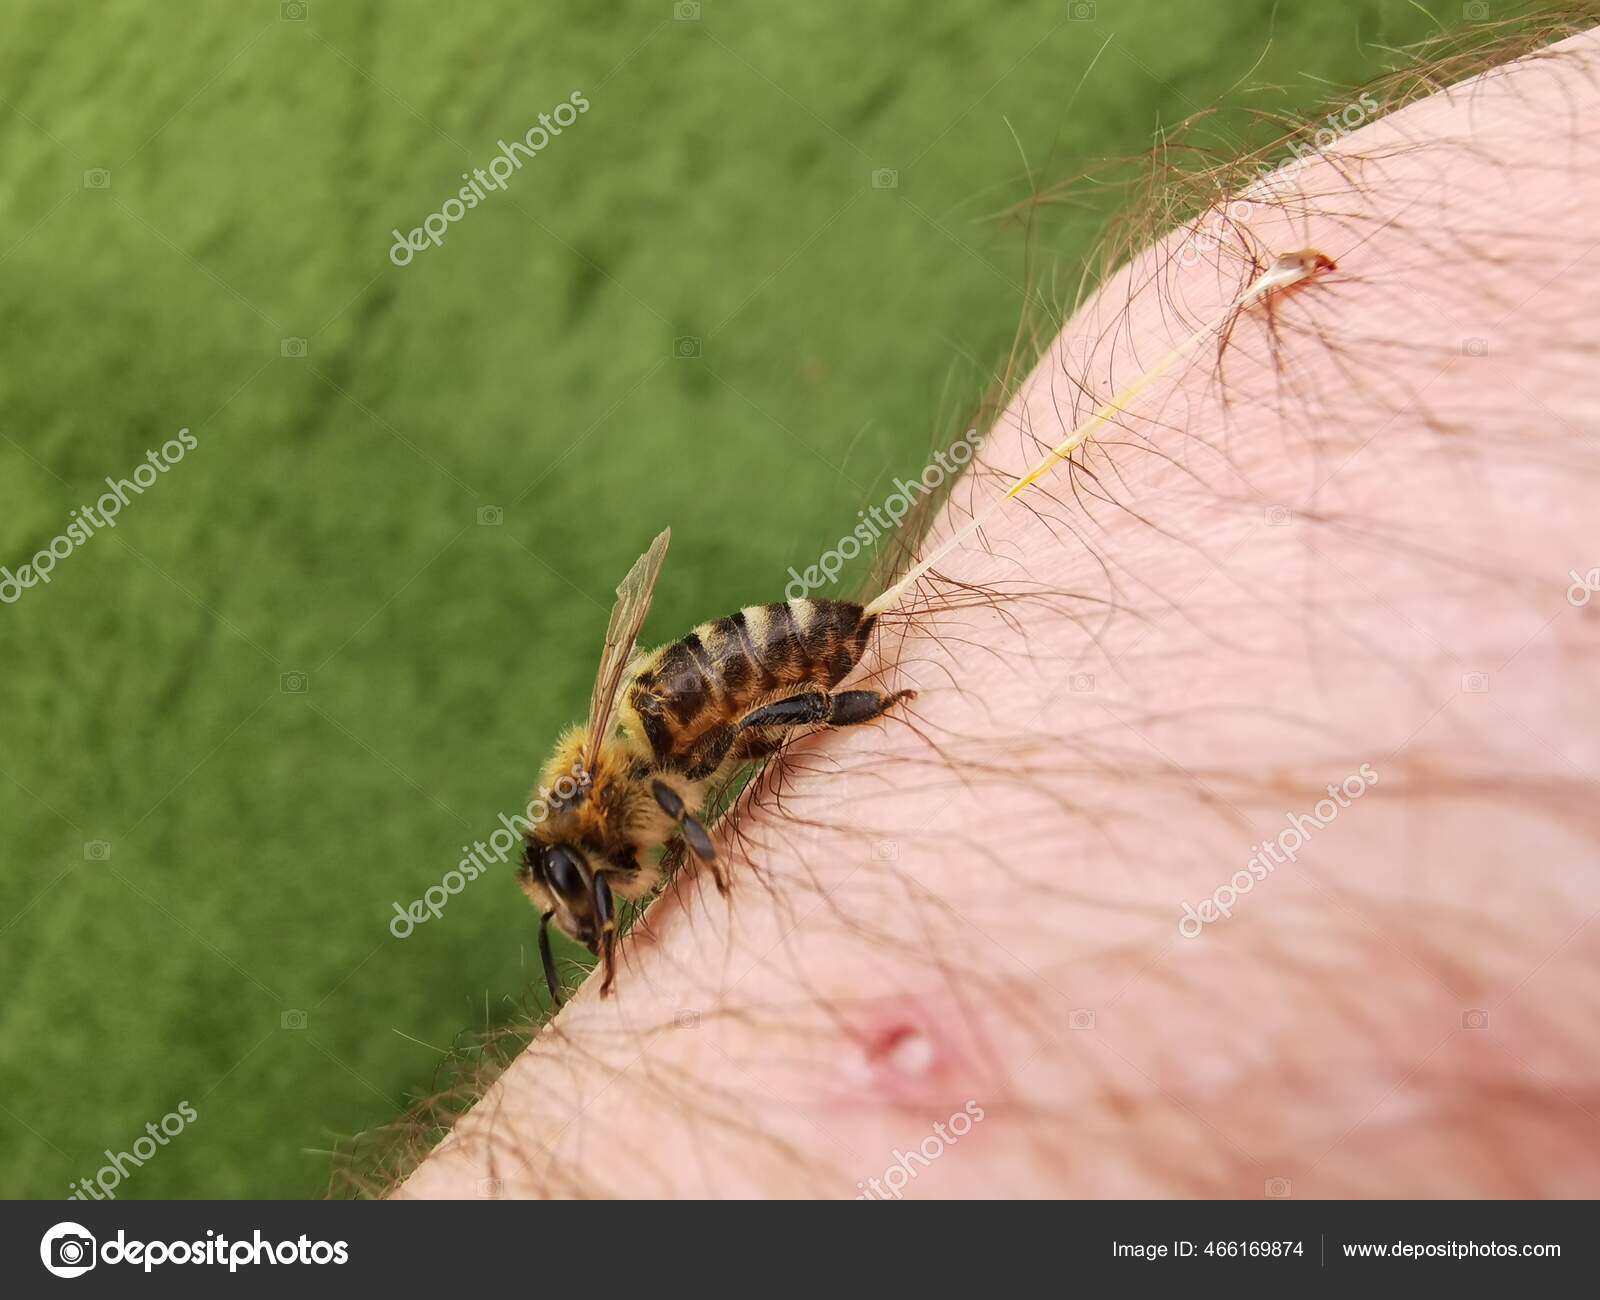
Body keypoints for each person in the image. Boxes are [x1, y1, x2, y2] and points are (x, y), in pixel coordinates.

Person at [403, 26, 1600, 1198]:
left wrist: (715, 865)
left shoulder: (638, 791)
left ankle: (862, 701)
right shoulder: (615, 808)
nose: (591, 909)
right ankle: (859, 699)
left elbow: (688, 785)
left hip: (724, 685)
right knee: (756, 724)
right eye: (586, 913)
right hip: (714, 697)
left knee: (761, 715)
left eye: (582, 901)